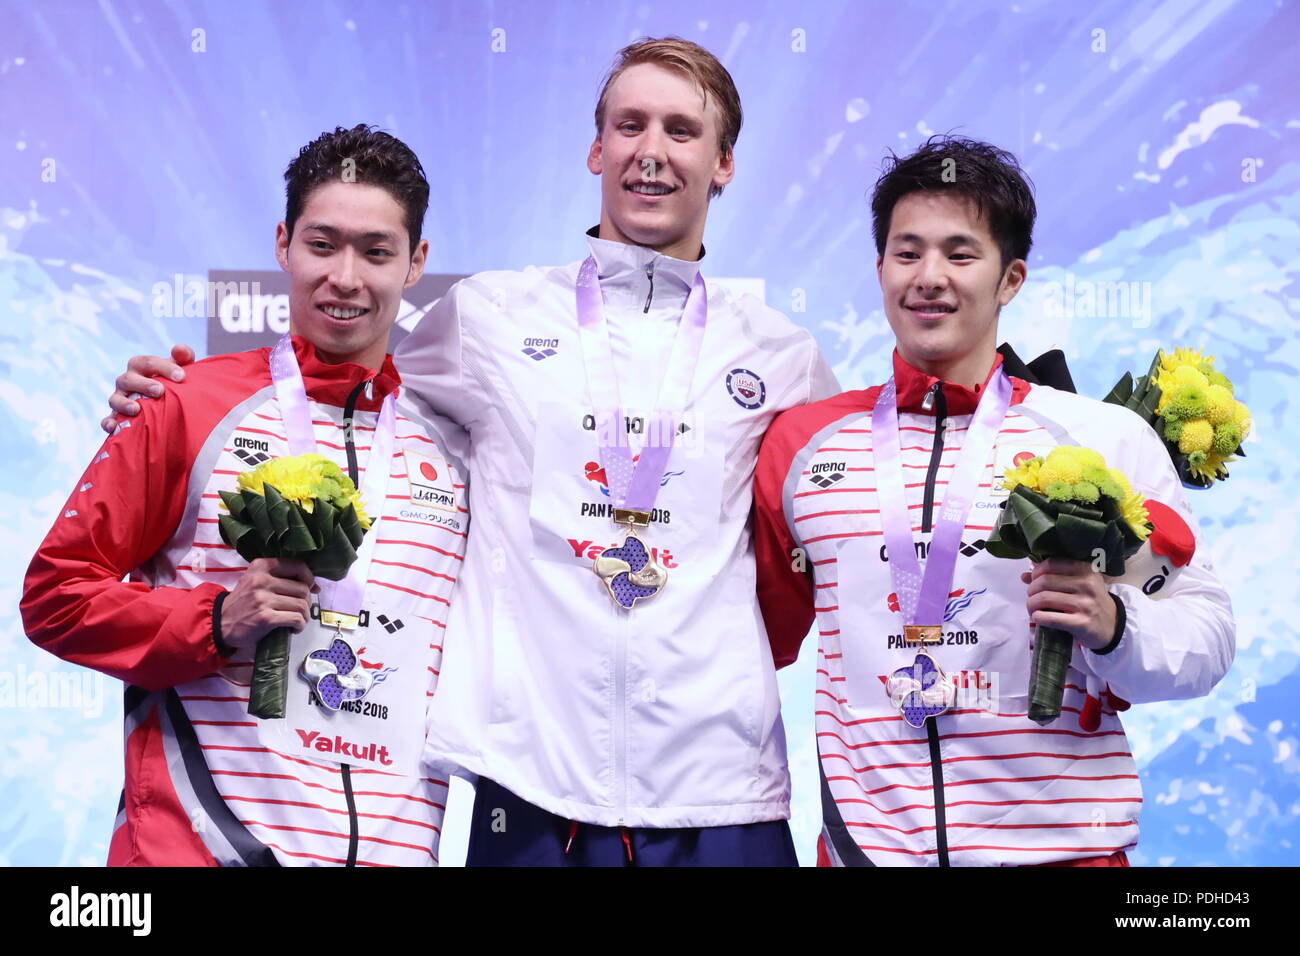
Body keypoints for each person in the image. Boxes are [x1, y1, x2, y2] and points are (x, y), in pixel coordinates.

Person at [104, 37, 838, 866]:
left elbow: (809, 561)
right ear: (597, 148)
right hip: (527, 789)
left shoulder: (784, 356)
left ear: (725, 162)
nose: (652, 152)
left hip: (723, 785)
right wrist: (173, 396)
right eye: (630, 125)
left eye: (681, 130)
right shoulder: (491, 313)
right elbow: (347, 383)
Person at [752, 136, 1235, 867]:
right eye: (907, 252)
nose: (929, 277)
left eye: (960, 253)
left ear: (1011, 279)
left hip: (1063, 856)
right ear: (879, 267)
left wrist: (1115, 625)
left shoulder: (1100, 439)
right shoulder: (805, 444)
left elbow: (1205, 638)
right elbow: (754, 638)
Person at [25, 125, 468, 866]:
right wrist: (216, 621)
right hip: (200, 849)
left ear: (417, 262)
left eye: (377, 251)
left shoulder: (457, 444)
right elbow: (56, 597)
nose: (346, 277)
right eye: (322, 245)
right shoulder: (184, 405)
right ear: (282, 245)